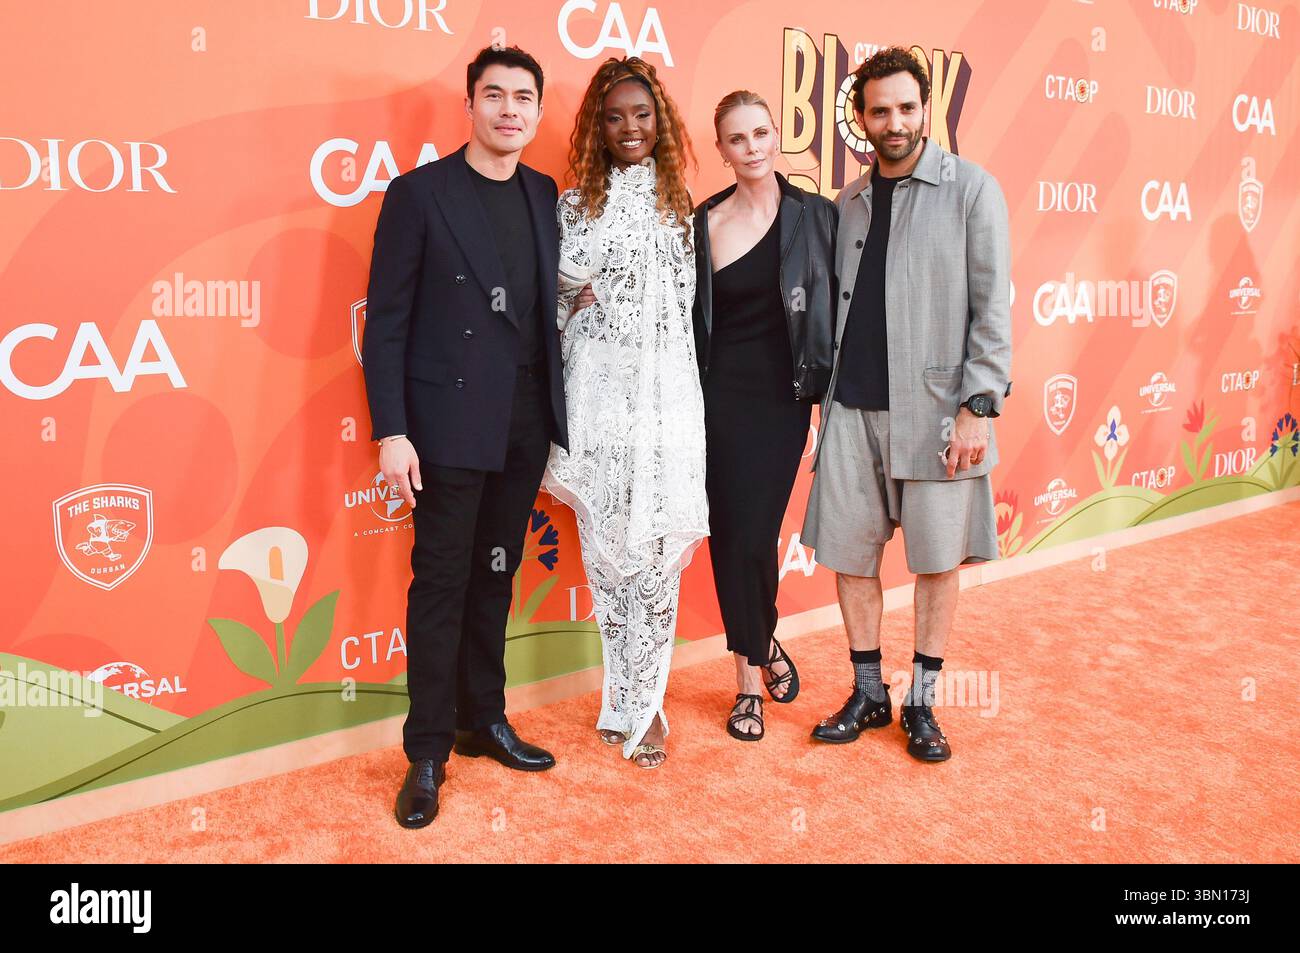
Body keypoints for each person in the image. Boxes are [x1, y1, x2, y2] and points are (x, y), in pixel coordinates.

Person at [363, 46, 569, 829]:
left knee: (496, 575)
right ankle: (427, 751)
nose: (509, 109)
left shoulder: (545, 194)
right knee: (442, 584)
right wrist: (392, 431)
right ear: (470, 106)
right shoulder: (419, 194)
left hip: (523, 427)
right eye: (494, 95)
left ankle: (486, 719)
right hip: (444, 430)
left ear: (537, 112)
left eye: (523, 97)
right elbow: (386, 325)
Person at [802, 46, 1012, 762]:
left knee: (936, 559)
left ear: (928, 110)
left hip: (935, 413)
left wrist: (977, 407)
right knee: (852, 556)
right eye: (879, 110)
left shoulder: (973, 190)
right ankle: (868, 692)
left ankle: (922, 704)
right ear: (859, 119)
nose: (894, 122)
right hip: (851, 411)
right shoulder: (848, 203)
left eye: (906, 107)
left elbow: (992, 309)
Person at [543, 56, 707, 769]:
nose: (630, 127)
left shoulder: (681, 207)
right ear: (596, 128)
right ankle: (620, 699)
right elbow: (553, 294)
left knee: (654, 562)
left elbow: (690, 309)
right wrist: (573, 297)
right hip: (597, 400)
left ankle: (652, 705)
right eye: (615, 117)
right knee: (607, 560)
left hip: (666, 401)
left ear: (660, 123)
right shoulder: (573, 205)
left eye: (642, 114)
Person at [691, 91, 837, 741]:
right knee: (732, 536)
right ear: (720, 151)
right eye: (737, 139)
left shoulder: (815, 216)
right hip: (719, 399)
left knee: (757, 535)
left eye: (760, 133)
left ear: (776, 135)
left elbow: (840, 310)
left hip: (784, 399)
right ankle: (751, 674)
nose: (752, 147)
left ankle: (762, 641)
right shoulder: (702, 224)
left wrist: (834, 401)